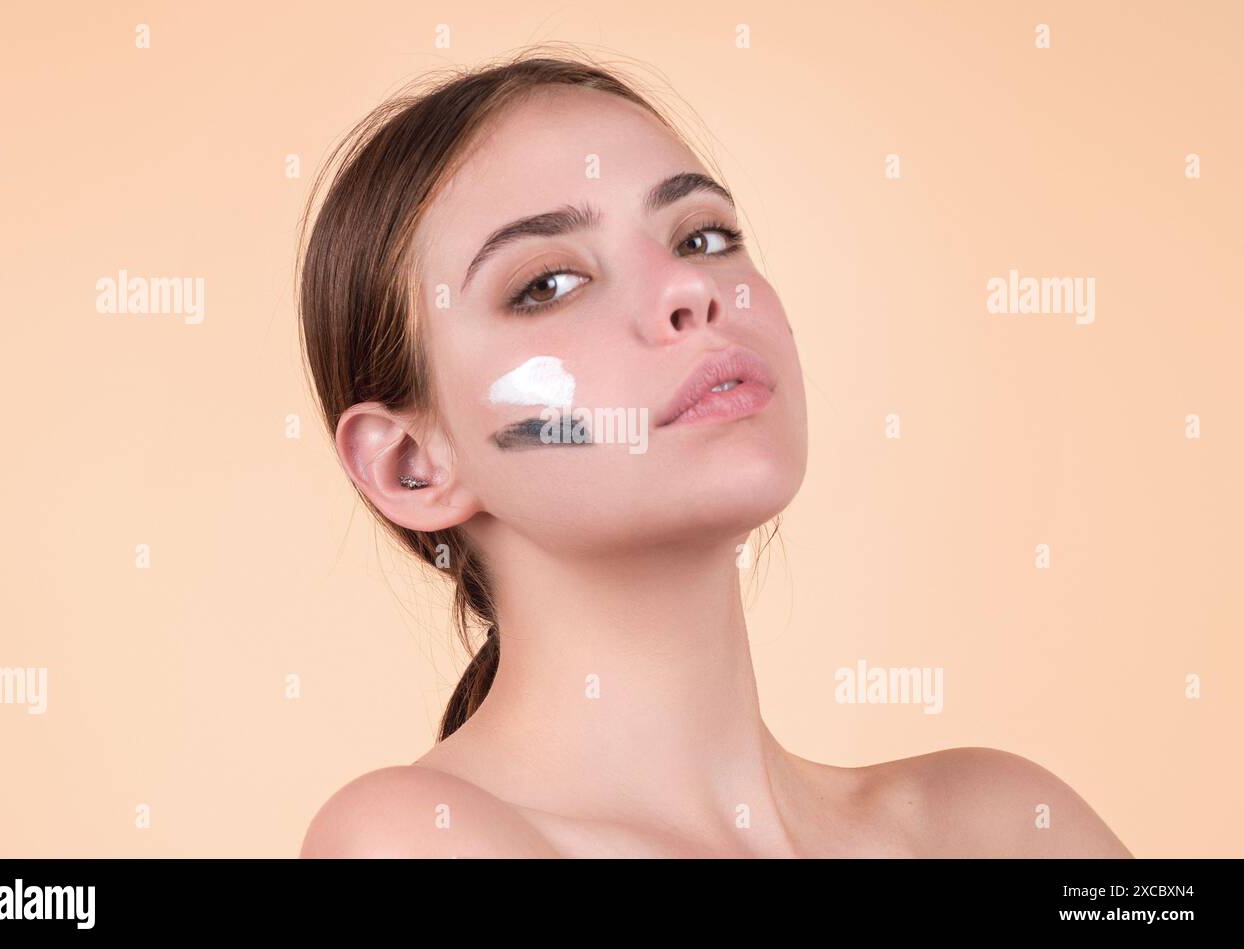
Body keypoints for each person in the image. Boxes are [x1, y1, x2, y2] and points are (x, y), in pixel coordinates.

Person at [295, 47, 1132, 858]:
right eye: (547, 282)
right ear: (410, 463)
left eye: (701, 236)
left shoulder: (1009, 824)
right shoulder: (407, 836)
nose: (690, 288)